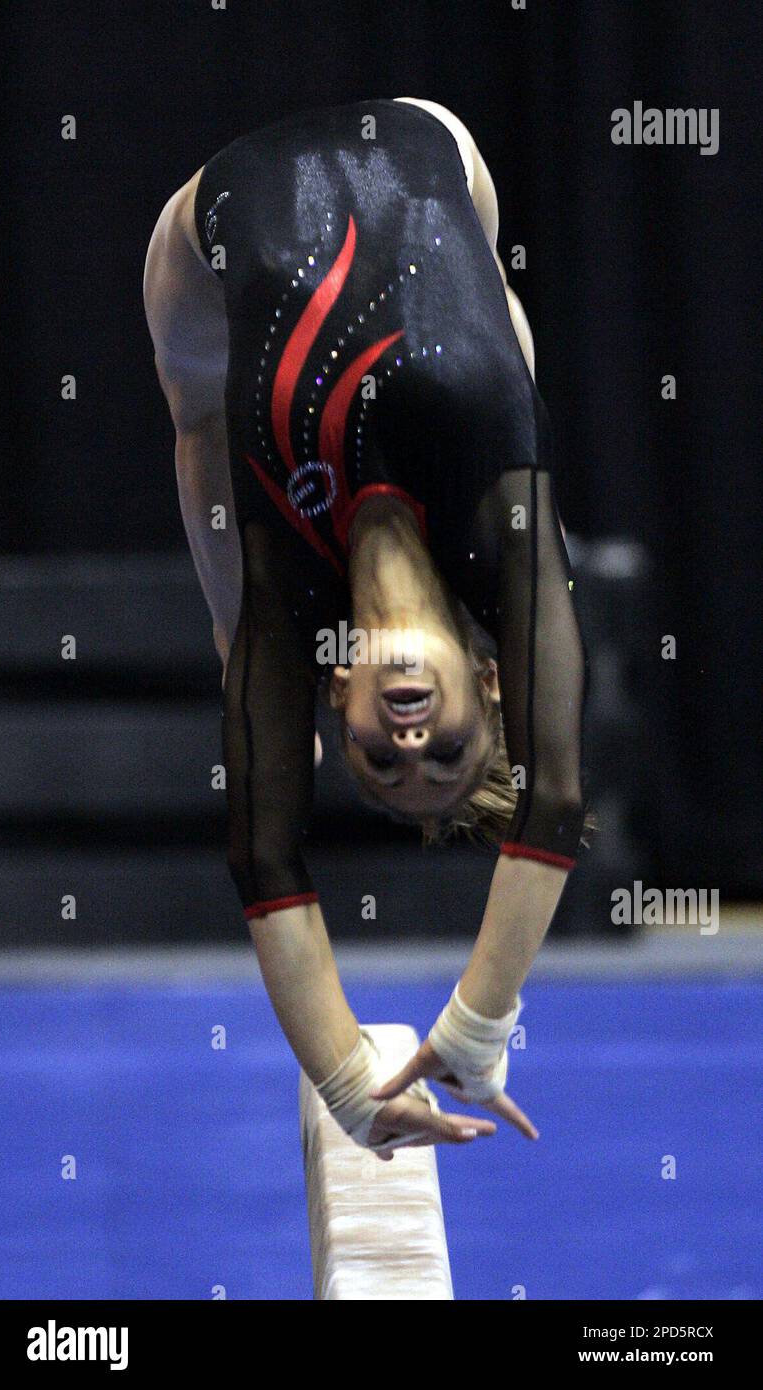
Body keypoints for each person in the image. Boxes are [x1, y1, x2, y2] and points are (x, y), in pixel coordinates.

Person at [143, 97, 589, 1158]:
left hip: (216, 209)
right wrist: (478, 1028)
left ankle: (227, 649)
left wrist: (352, 1084)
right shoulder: (503, 528)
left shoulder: (293, 592)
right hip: (434, 144)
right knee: (505, 352)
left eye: (381, 762)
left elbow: (264, 858)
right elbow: (557, 797)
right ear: (491, 688)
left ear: (332, 701)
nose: (407, 736)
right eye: (445, 752)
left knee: (202, 423)